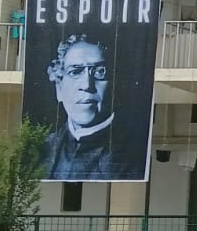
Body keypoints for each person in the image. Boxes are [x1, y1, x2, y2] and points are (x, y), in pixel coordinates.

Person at [38, 34, 142, 181]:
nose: (87, 85)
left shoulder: (133, 156)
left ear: (115, 84)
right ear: (59, 88)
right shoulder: (41, 150)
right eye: (75, 72)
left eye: (100, 71)